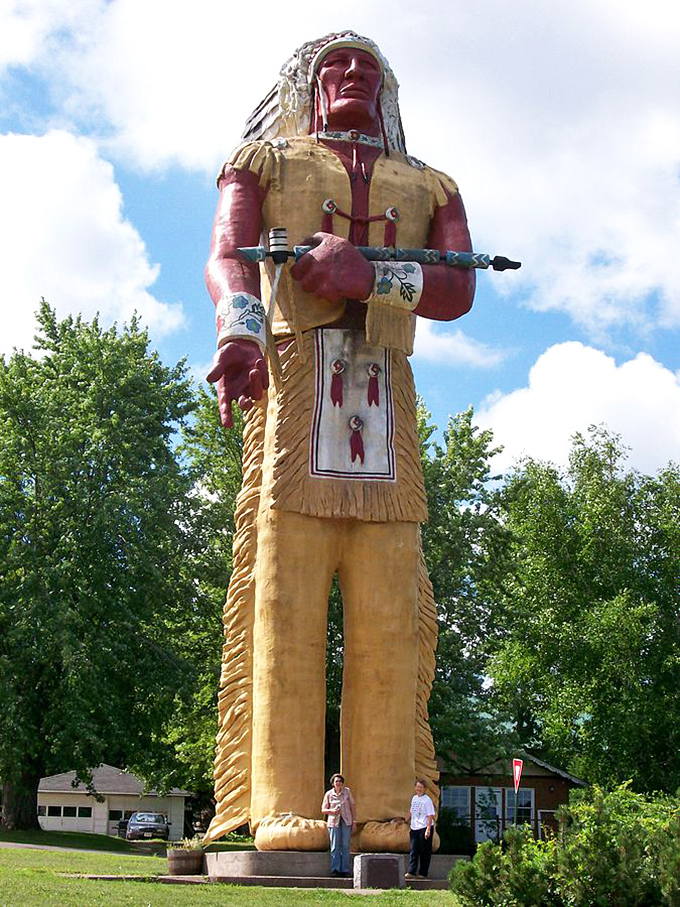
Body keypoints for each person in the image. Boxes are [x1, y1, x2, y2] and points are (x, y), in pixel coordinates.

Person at [203, 31, 475, 853]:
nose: (353, 74)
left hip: (385, 401)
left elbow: (458, 285)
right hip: (295, 393)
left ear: (386, 93)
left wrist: (369, 274)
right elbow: (227, 253)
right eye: (336, 66)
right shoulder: (261, 160)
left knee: (391, 608)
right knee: (283, 597)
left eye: (367, 67)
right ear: (309, 88)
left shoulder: (430, 185)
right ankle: (283, 804)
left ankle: (389, 807)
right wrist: (239, 334)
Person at [321, 773, 356, 876]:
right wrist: (332, 811)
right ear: (333, 783)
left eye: (340, 781)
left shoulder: (347, 792)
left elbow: (352, 806)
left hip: (346, 821)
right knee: (335, 846)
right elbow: (323, 810)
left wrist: (354, 821)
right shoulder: (329, 794)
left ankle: (345, 869)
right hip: (334, 822)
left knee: (345, 845)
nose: (338, 783)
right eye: (336, 781)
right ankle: (335, 869)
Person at [405, 779, 436, 880]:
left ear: (425, 789)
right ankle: (411, 871)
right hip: (415, 827)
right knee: (414, 849)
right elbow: (411, 811)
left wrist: (428, 830)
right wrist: (406, 819)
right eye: (417, 787)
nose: (419, 789)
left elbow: (430, 815)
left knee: (424, 851)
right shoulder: (414, 798)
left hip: (424, 826)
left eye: (421, 787)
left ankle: (423, 873)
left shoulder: (427, 800)